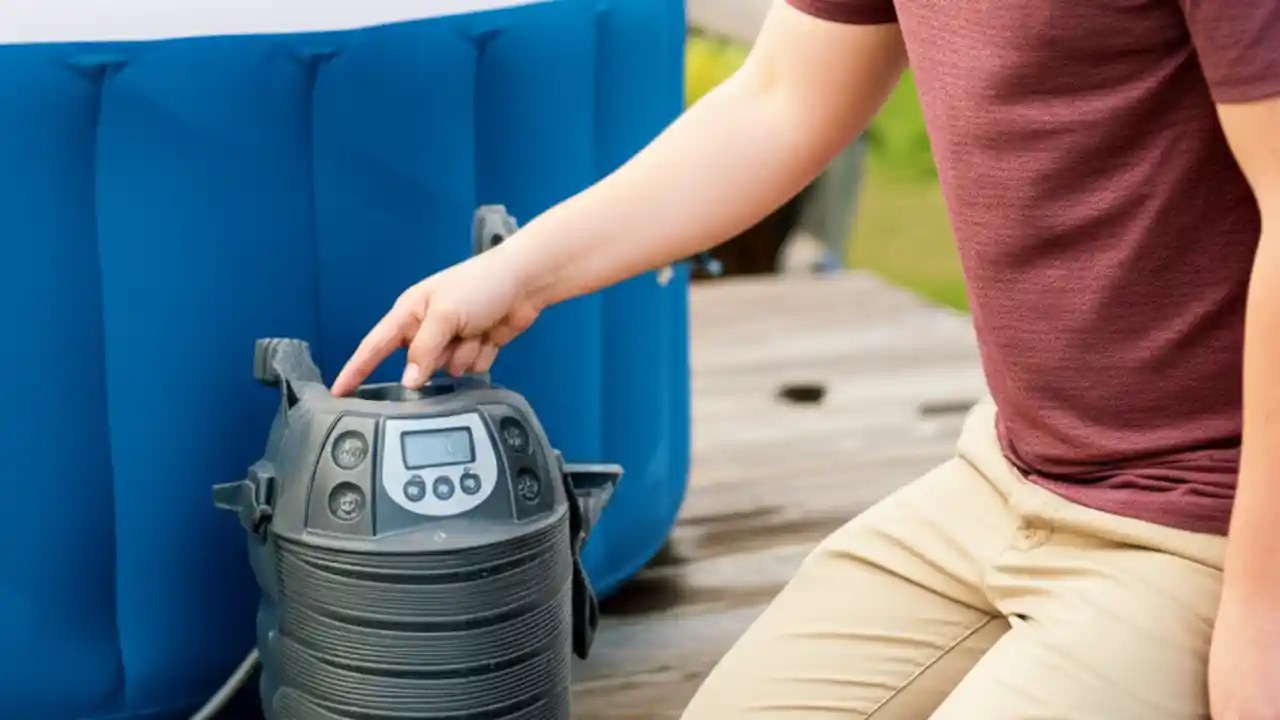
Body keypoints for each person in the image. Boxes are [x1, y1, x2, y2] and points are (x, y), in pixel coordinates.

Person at [330, 0, 1280, 717]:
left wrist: (1261, 613)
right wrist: (518, 272)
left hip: (1207, 522)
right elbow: (784, 98)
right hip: (1002, 477)